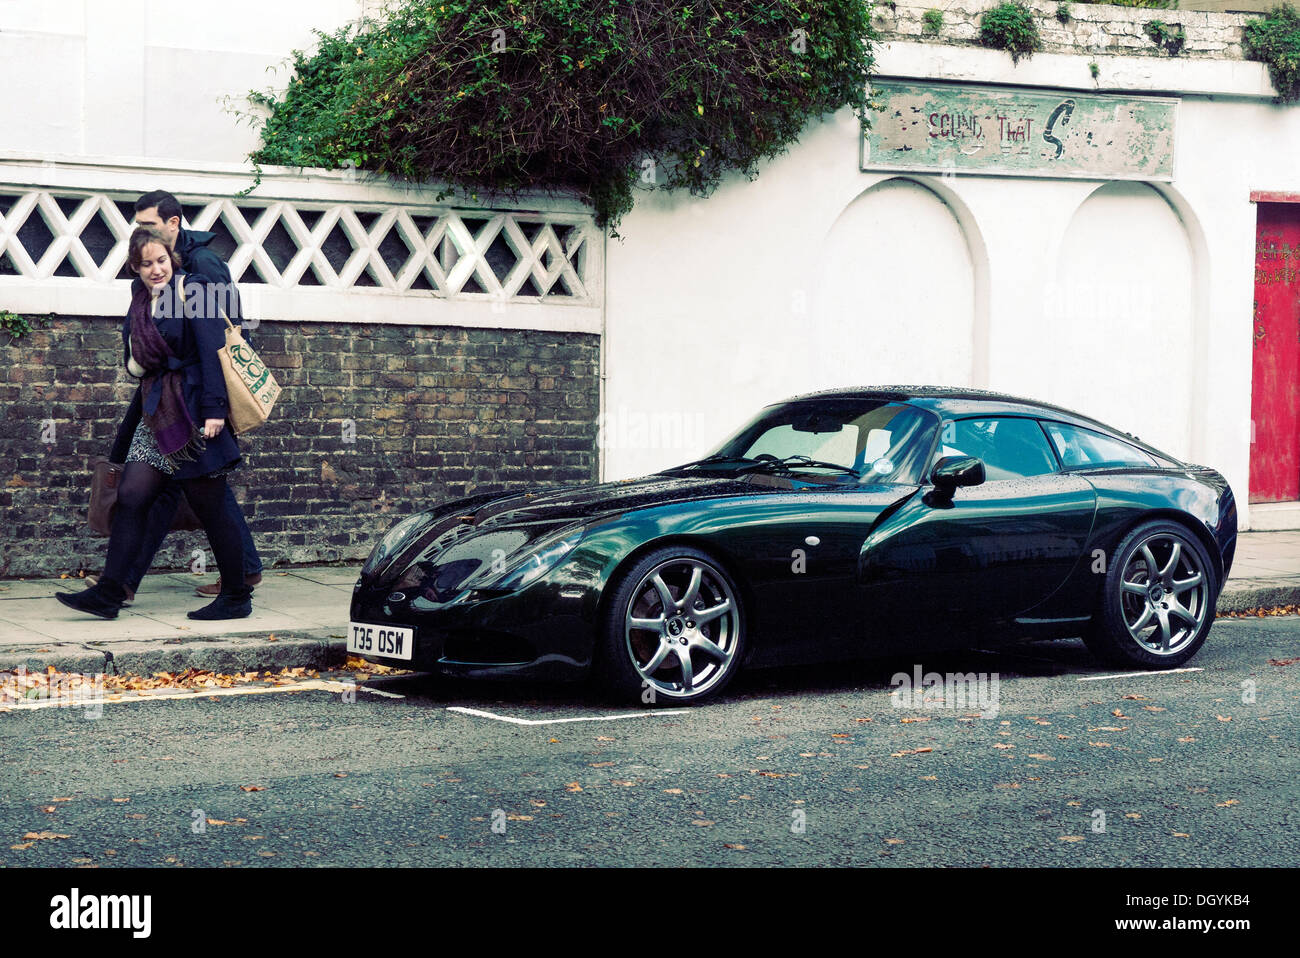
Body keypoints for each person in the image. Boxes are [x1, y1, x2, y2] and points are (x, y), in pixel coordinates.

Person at [57, 227, 252, 620]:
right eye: (146, 263)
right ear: (136, 267)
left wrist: (215, 409)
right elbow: (136, 353)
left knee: (210, 505)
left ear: (171, 258)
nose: (156, 269)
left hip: (194, 411)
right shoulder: (140, 298)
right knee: (131, 494)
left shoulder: (193, 290)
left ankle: (236, 596)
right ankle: (110, 593)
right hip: (157, 412)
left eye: (161, 260)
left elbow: (213, 350)